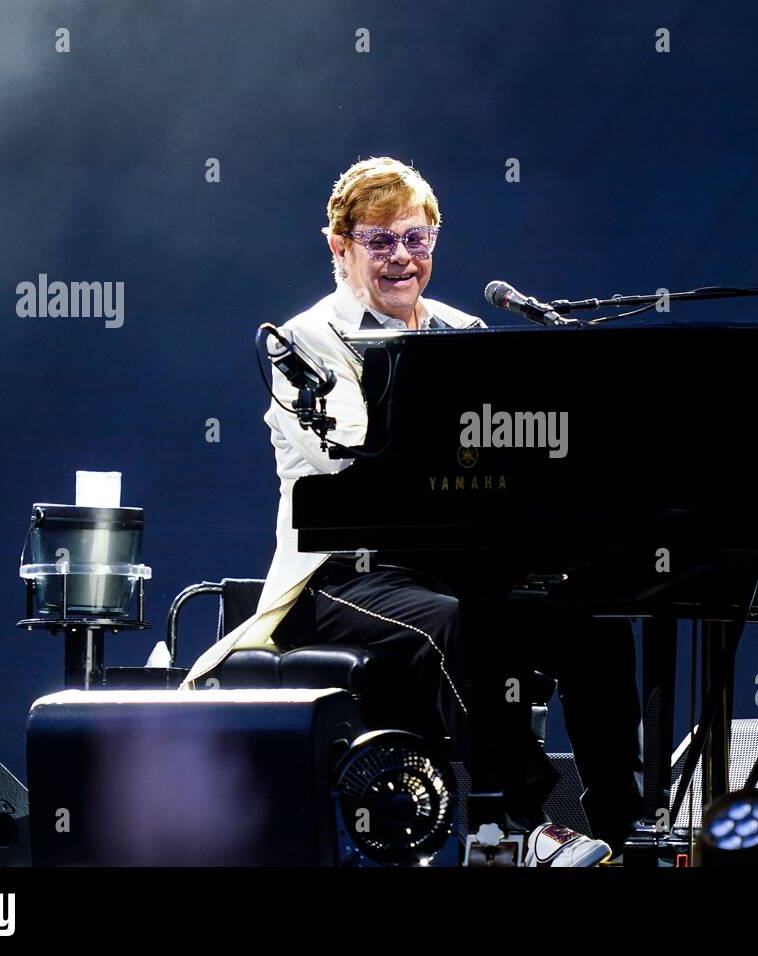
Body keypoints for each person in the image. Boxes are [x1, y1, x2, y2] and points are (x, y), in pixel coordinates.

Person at [184, 157, 642, 865]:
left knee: (592, 628)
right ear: (340, 249)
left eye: (417, 239)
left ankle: (624, 825)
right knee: (460, 626)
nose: (402, 257)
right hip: (344, 573)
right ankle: (526, 825)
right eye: (380, 241)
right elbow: (344, 465)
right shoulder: (302, 341)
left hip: (456, 563)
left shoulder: (463, 330)